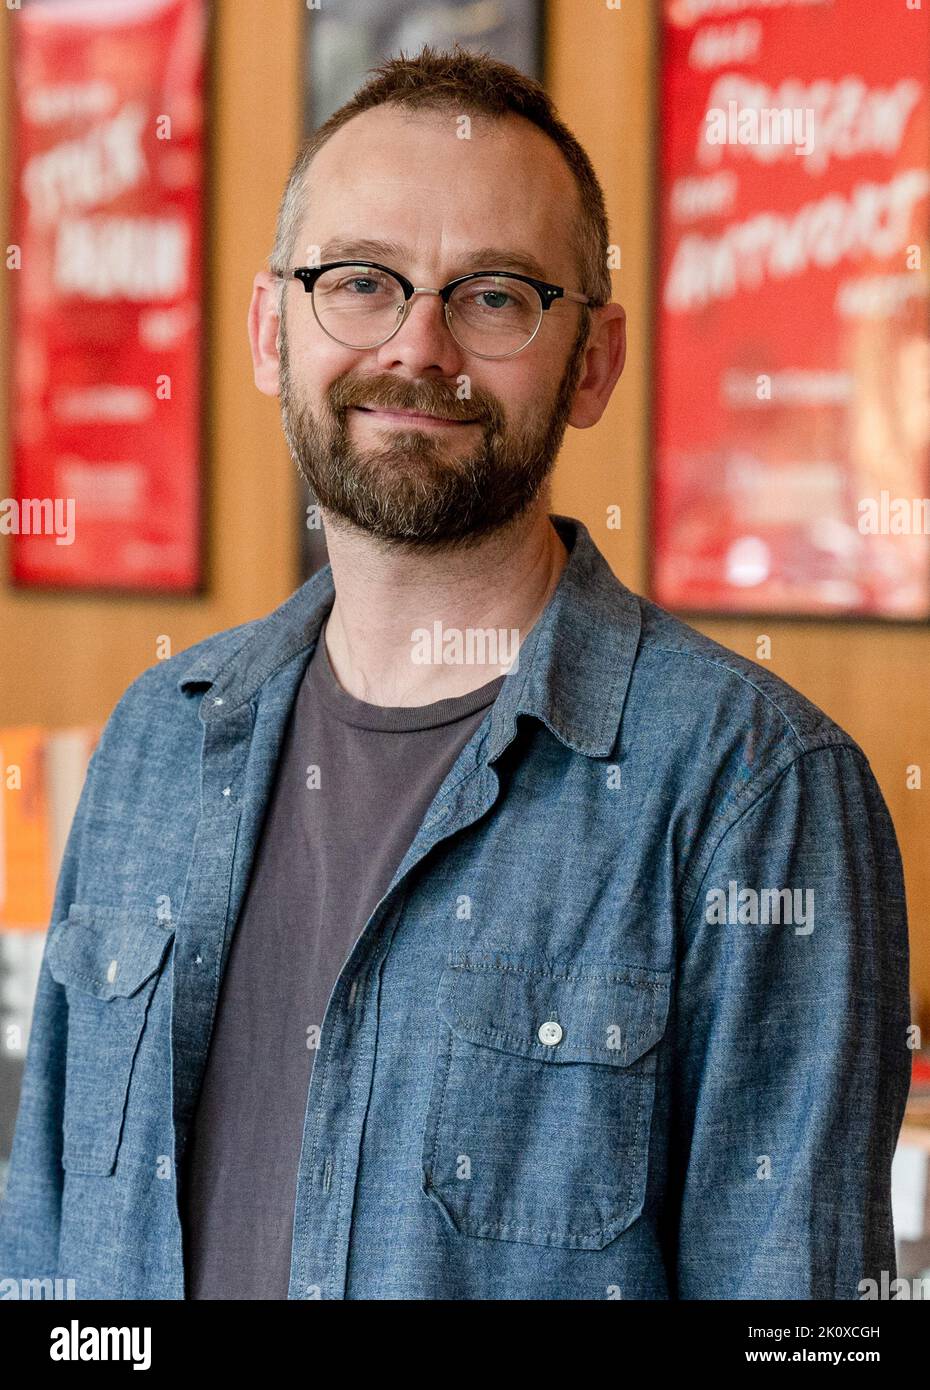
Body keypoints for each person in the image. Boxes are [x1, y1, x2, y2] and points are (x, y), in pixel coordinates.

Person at [0, 45, 911, 1301]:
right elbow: (43, 1255)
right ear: (274, 330)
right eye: (362, 281)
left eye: (492, 297)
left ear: (593, 361)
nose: (419, 348)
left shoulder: (758, 793)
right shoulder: (157, 737)